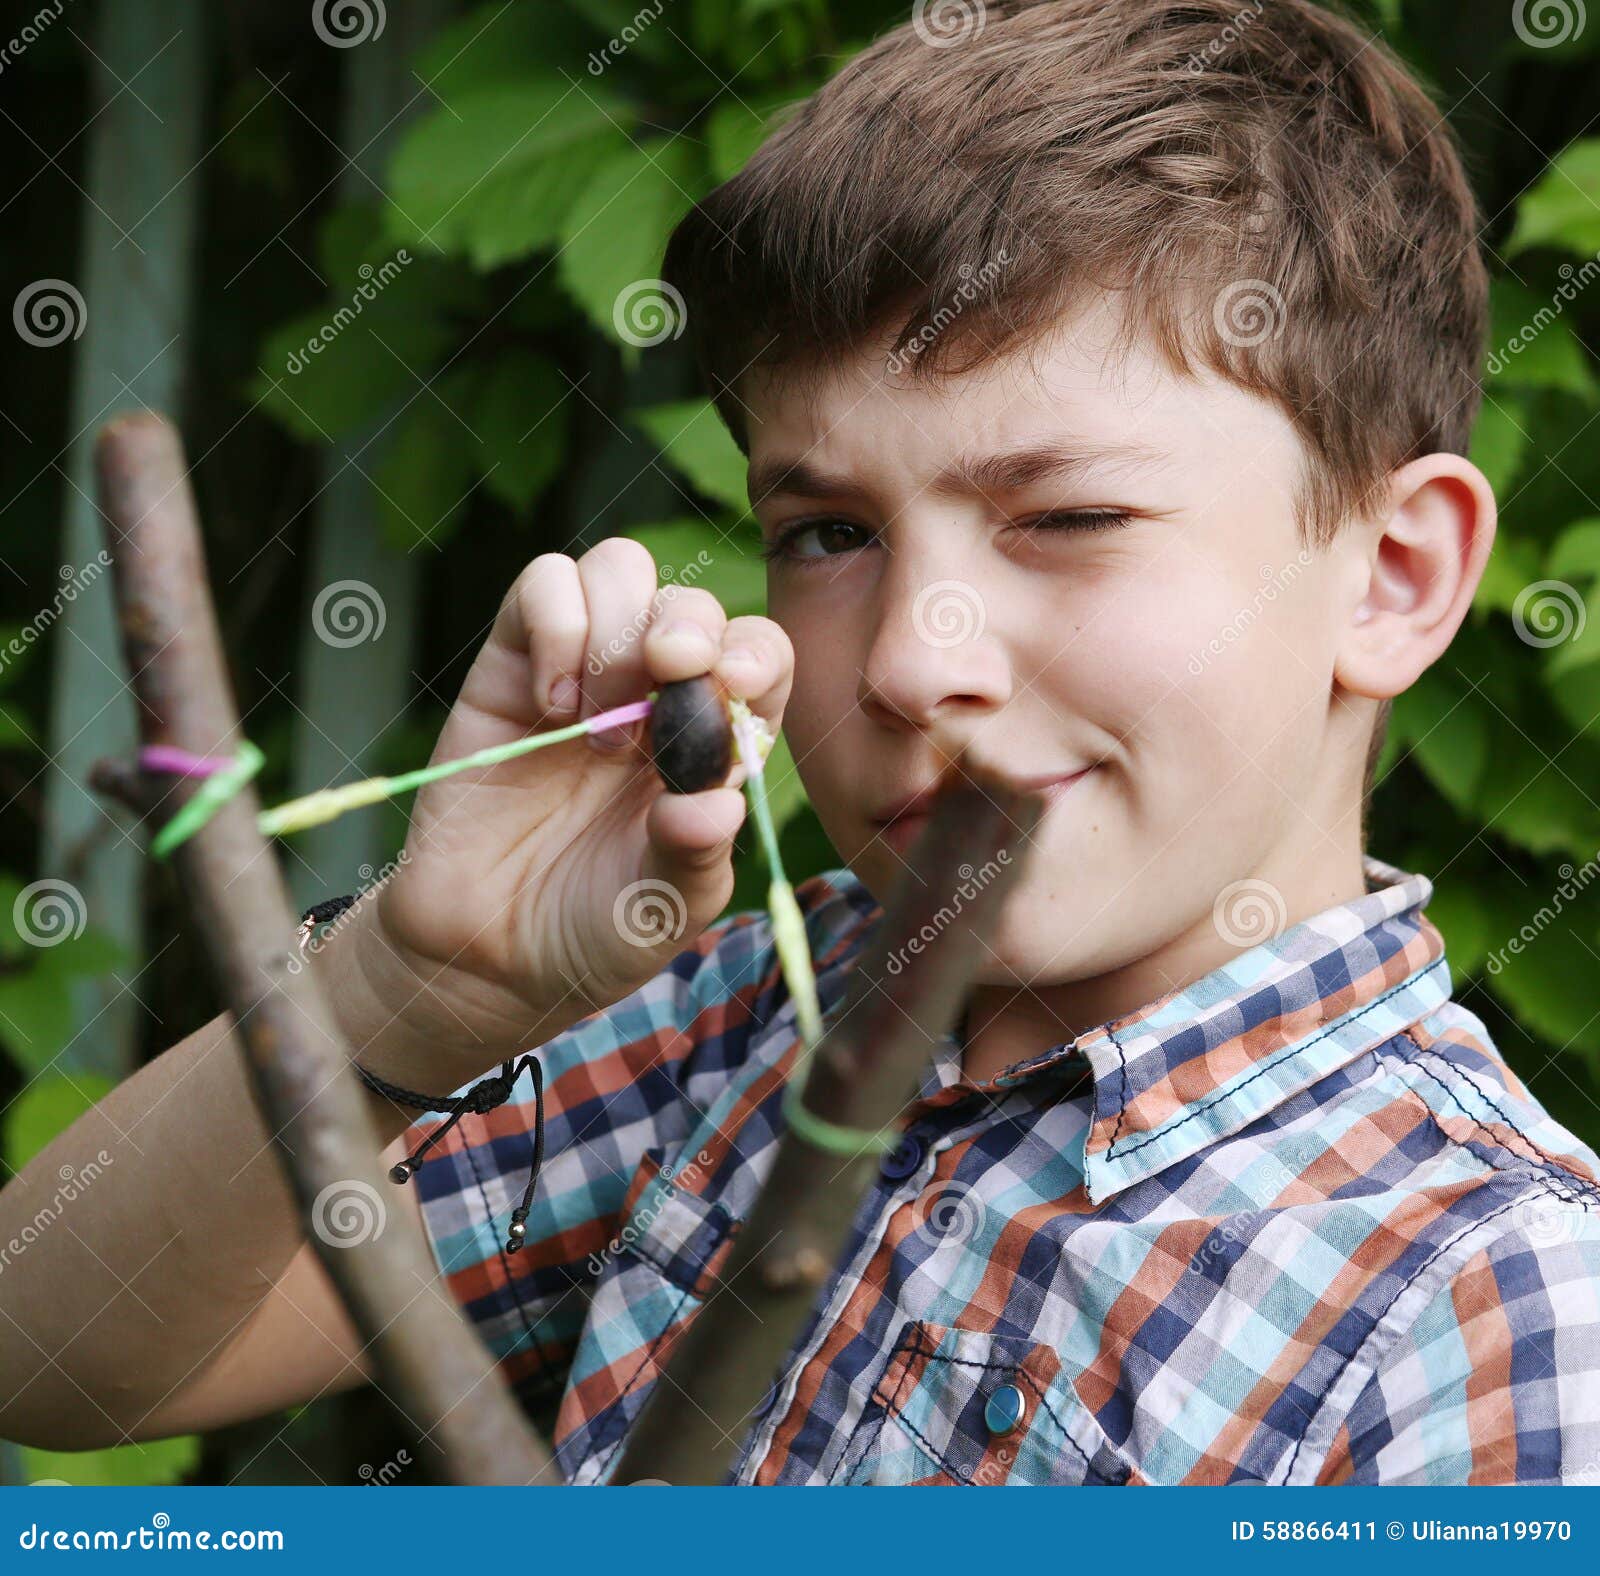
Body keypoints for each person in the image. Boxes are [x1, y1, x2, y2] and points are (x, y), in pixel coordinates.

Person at [3, 0, 1596, 1485]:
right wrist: (414, 988)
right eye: (828, 531)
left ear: (1394, 579)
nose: (910, 660)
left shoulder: (1497, 1318)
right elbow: (48, 1355)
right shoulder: (738, 1004)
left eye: (1065, 518)